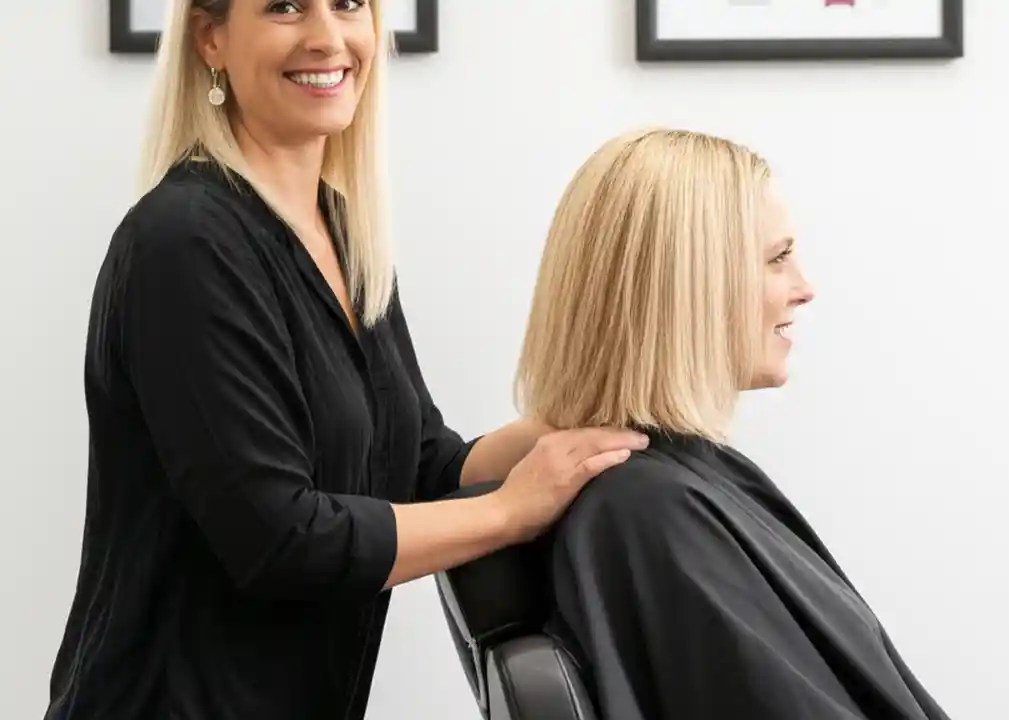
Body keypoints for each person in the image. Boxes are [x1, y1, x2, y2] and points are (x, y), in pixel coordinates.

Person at [45, 2, 647, 718]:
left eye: (349, 5)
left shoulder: (341, 231)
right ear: (211, 38)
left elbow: (422, 464)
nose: (328, 38)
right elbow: (282, 541)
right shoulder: (183, 243)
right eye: (285, 6)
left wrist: (568, 429)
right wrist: (511, 512)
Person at [515, 129, 953, 720]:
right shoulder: (653, 512)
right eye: (777, 259)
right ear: (688, 288)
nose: (805, 288)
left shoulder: (675, 488)